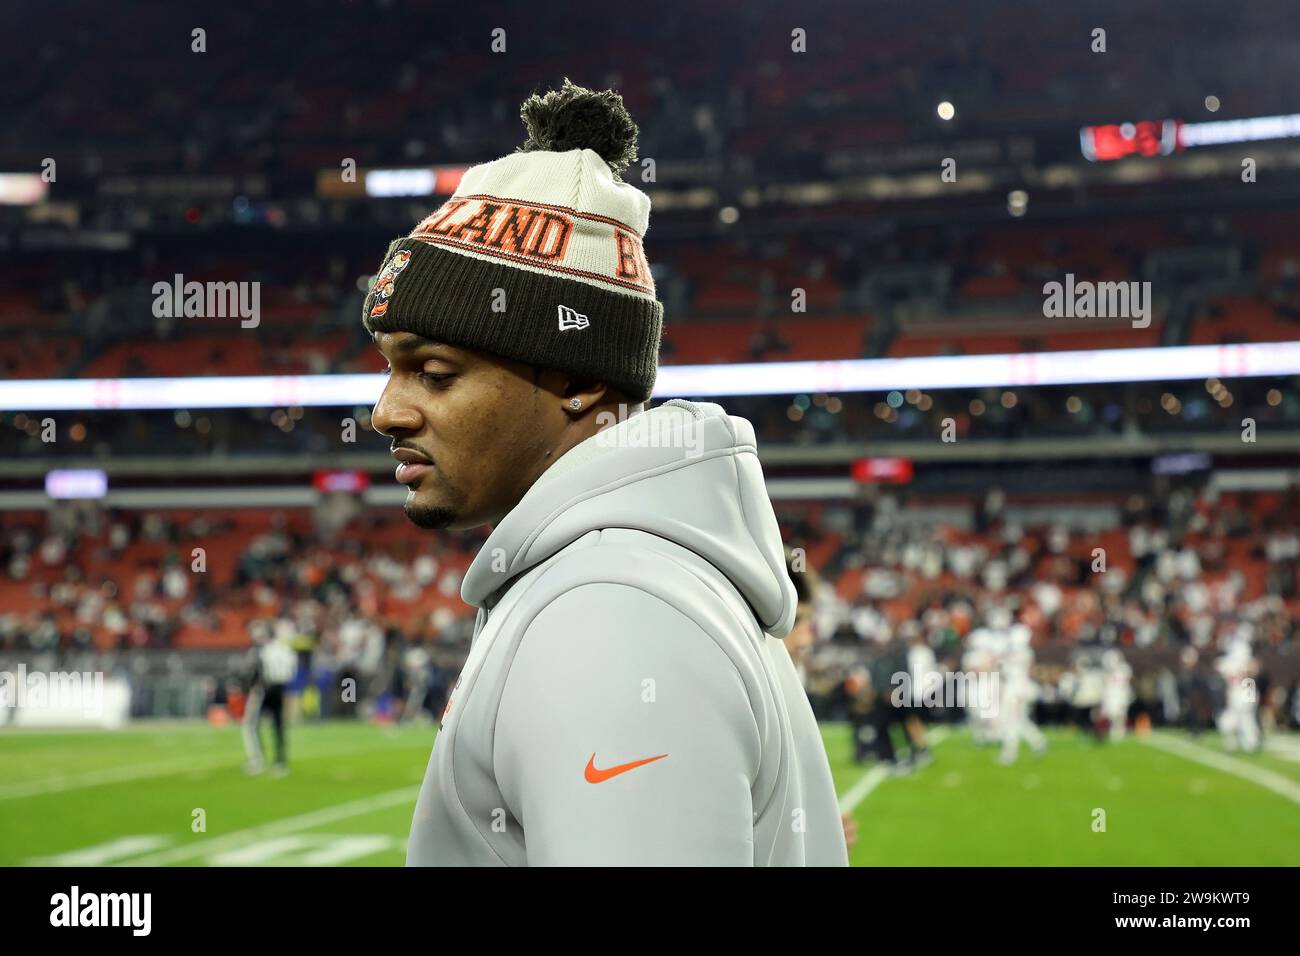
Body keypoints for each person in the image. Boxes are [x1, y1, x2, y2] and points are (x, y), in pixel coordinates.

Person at [367, 81, 847, 866]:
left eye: (436, 372)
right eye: (391, 369)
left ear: (577, 380)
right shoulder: (614, 580)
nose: (387, 411)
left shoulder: (611, 612)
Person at [243, 622, 297, 776]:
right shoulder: (286, 650)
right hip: (281, 688)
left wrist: (251, 687)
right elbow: (291, 671)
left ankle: (257, 760)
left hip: (265, 688)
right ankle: (280, 762)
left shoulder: (263, 650)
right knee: (278, 726)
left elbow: (257, 671)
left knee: (251, 725)